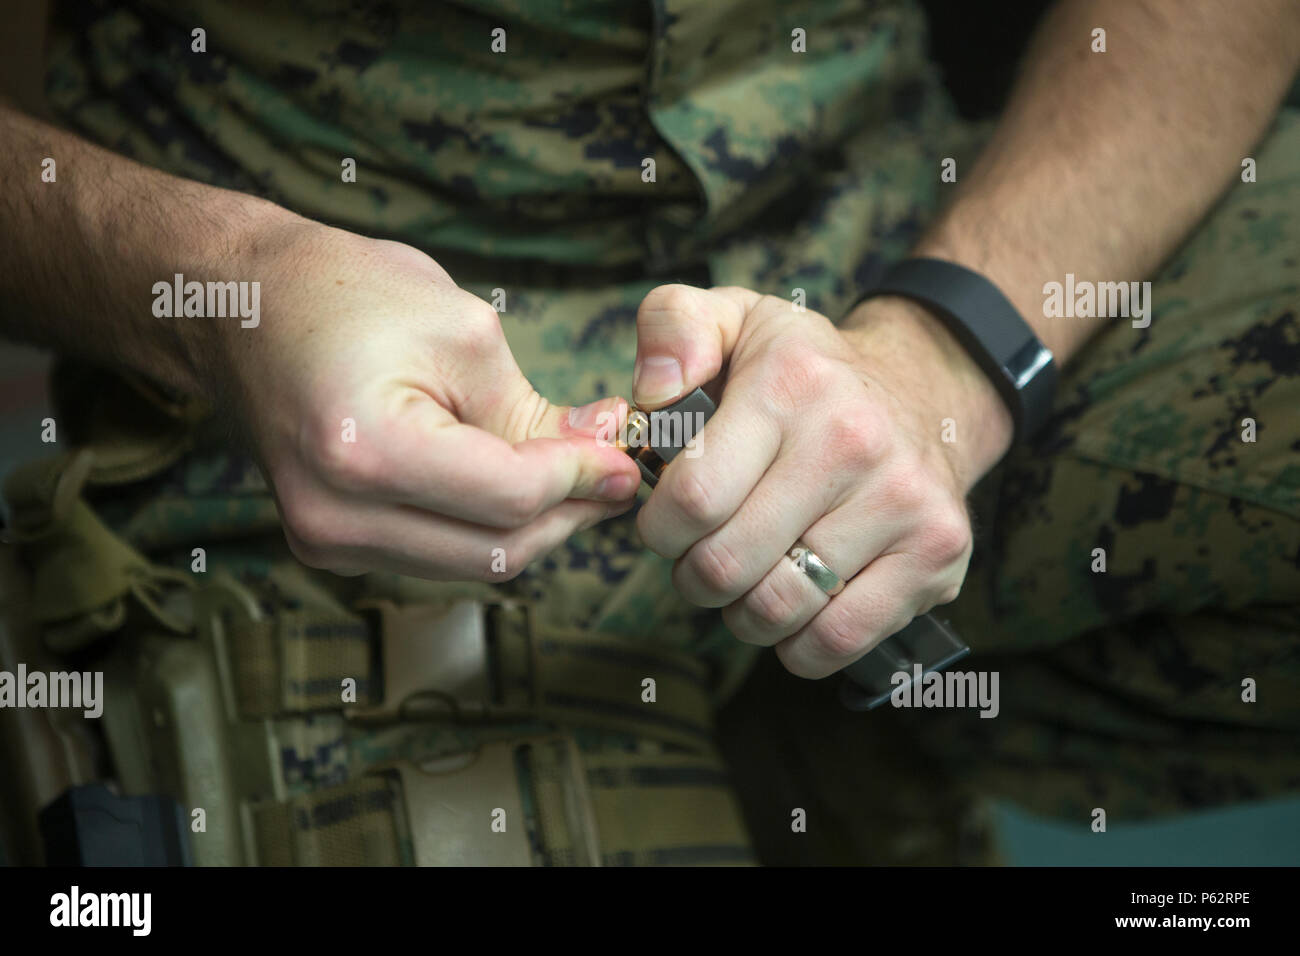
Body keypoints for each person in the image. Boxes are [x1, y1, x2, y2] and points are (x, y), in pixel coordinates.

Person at [0, 0, 1297, 865]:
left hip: (909, 253)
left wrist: (946, 356)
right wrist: (221, 282)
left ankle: (835, 727)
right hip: (328, 408)